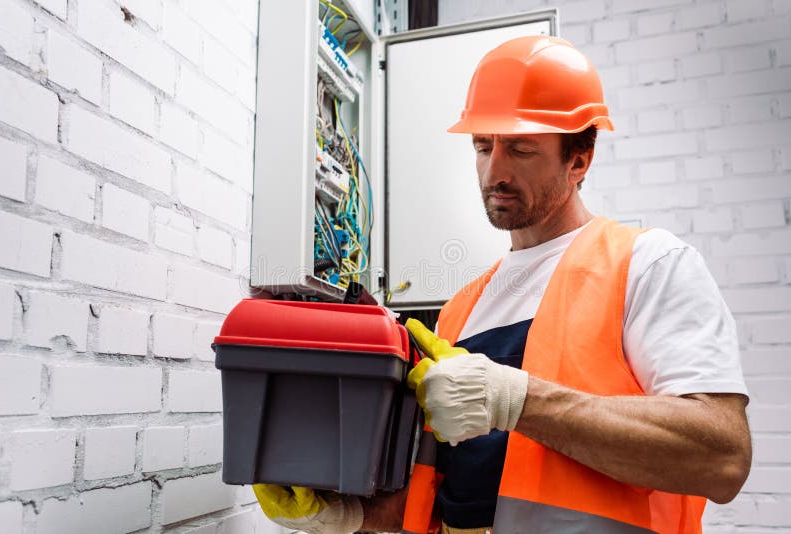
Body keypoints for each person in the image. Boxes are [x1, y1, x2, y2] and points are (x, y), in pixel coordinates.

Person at [254, 35, 752, 534]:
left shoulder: (647, 264)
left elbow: (722, 457)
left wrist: (518, 401)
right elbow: (458, 495)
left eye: (520, 149)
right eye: (483, 145)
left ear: (579, 159)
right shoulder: (460, 310)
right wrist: (345, 516)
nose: (495, 172)